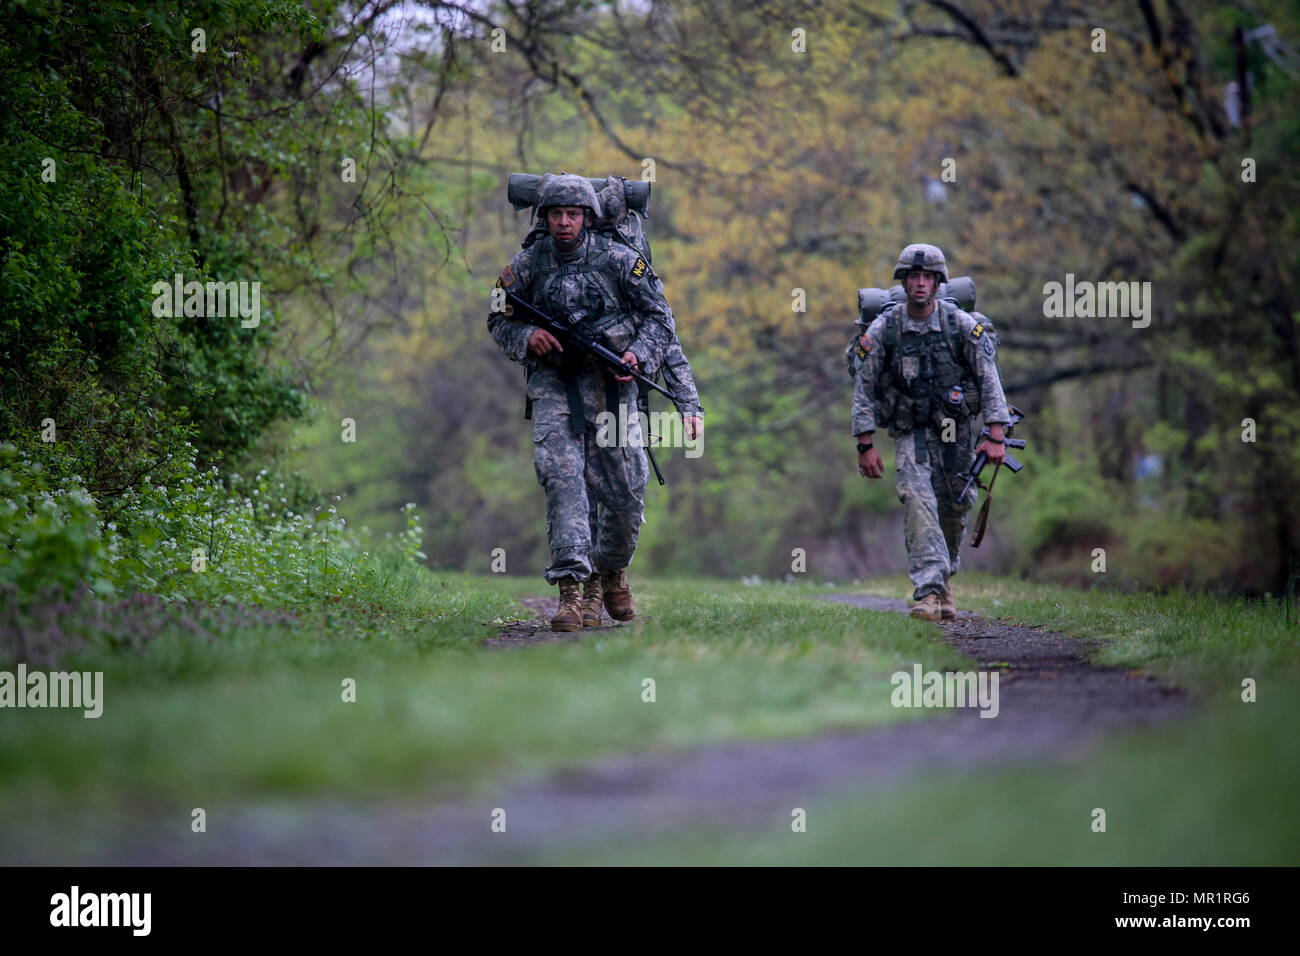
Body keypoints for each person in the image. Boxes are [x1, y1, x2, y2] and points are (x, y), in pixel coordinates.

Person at [487, 174, 677, 631]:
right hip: (557, 388)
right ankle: (572, 591)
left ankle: (609, 574)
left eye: (573, 215)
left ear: (588, 219)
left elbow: (659, 318)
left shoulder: (620, 261)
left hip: (613, 391)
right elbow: (497, 316)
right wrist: (527, 335)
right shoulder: (527, 265)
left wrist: (637, 355)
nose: (565, 223)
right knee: (563, 479)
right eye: (556, 214)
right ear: (544, 217)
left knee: (626, 495)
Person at [851, 243, 1010, 621]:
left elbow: (989, 379)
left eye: (927, 277)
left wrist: (995, 434)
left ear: (939, 283)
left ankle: (942, 581)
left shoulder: (959, 325)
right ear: (903, 282)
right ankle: (927, 593)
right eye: (913, 277)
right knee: (918, 501)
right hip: (911, 431)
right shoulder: (885, 328)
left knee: (954, 508)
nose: (920, 284)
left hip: (956, 431)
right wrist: (865, 442)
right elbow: (865, 385)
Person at [583, 334, 704, 626]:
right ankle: (589, 584)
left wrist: (689, 406)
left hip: (624, 401)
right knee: (580, 492)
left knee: (626, 493)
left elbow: (670, 350)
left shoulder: (643, 295)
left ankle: (613, 569)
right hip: (572, 394)